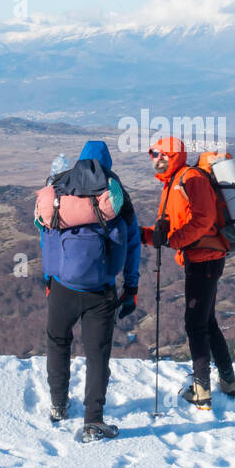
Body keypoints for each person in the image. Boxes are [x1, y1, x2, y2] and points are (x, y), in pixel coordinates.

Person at [40, 140, 140, 441]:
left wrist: (49, 277)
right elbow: (132, 243)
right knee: (97, 355)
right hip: (102, 291)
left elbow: (45, 236)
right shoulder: (116, 197)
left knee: (58, 342)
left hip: (62, 286)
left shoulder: (60, 190)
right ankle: (93, 420)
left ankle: (58, 404)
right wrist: (131, 285)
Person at [141, 136, 235, 409]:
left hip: (205, 259)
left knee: (195, 324)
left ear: (175, 155)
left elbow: (203, 219)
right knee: (206, 322)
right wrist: (144, 236)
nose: (156, 159)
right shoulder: (173, 183)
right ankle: (229, 382)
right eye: (153, 155)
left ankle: (201, 389)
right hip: (200, 258)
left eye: (162, 154)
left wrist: (174, 240)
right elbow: (172, 231)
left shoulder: (190, 178)